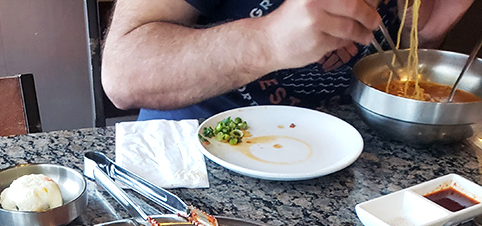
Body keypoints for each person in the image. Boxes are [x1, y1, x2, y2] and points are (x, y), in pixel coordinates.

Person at [100, 0, 477, 120]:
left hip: (346, 164)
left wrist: (424, 32)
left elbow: (394, 69)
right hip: (196, 161)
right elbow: (123, 73)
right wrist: (267, 41)